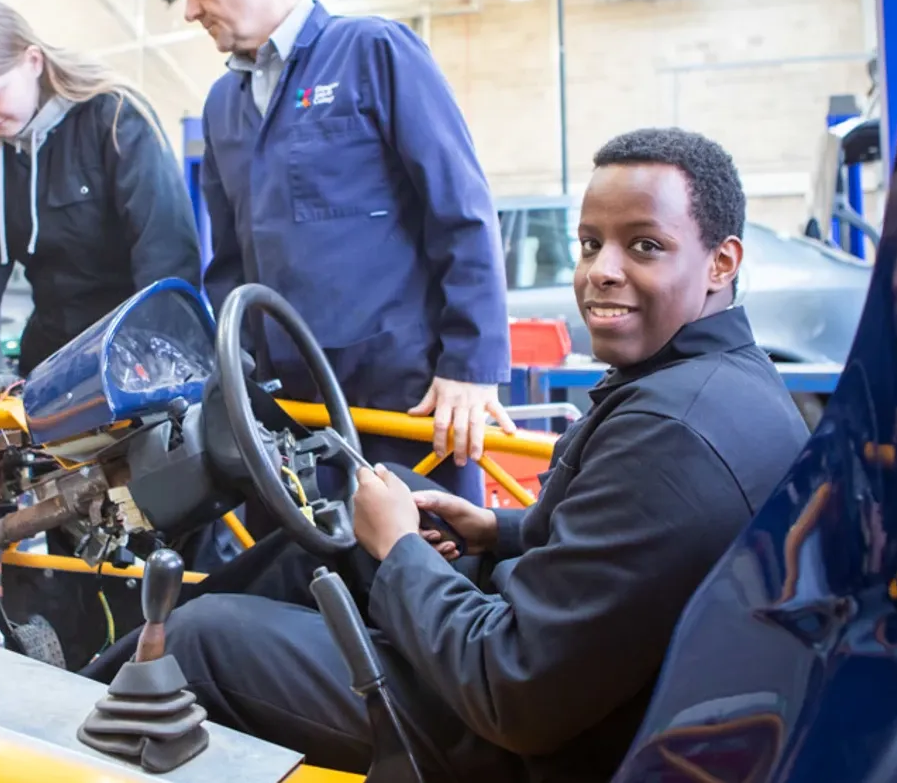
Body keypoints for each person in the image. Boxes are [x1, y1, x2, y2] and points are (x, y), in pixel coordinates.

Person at [83, 129, 812, 783]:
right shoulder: (722, 383)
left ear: (722, 261)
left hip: (530, 742)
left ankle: (75, 722)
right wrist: (504, 530)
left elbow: (512, 690)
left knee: (202, 638)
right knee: (362, 504)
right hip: (586, 680)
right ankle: (92, 684)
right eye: (591, 243)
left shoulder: (672, 435)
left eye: (643, 246)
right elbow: (634, 551)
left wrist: (401, 547)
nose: (600, 271)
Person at [164, 0, 514, 499]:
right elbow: (229, 262)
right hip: (289, 408)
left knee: (426, 572)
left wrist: (471, 365)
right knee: (305, 576)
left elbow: (460, 209)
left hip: (405, 396)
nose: (191, 10)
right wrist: (235, 375)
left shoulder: (373, 52)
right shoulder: (223, 103)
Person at [0, 0, 202, 376]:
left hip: (131, 351)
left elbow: (166, 254)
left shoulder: (114, 118)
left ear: (33, 62)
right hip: (50, 357)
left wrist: (151, 361)